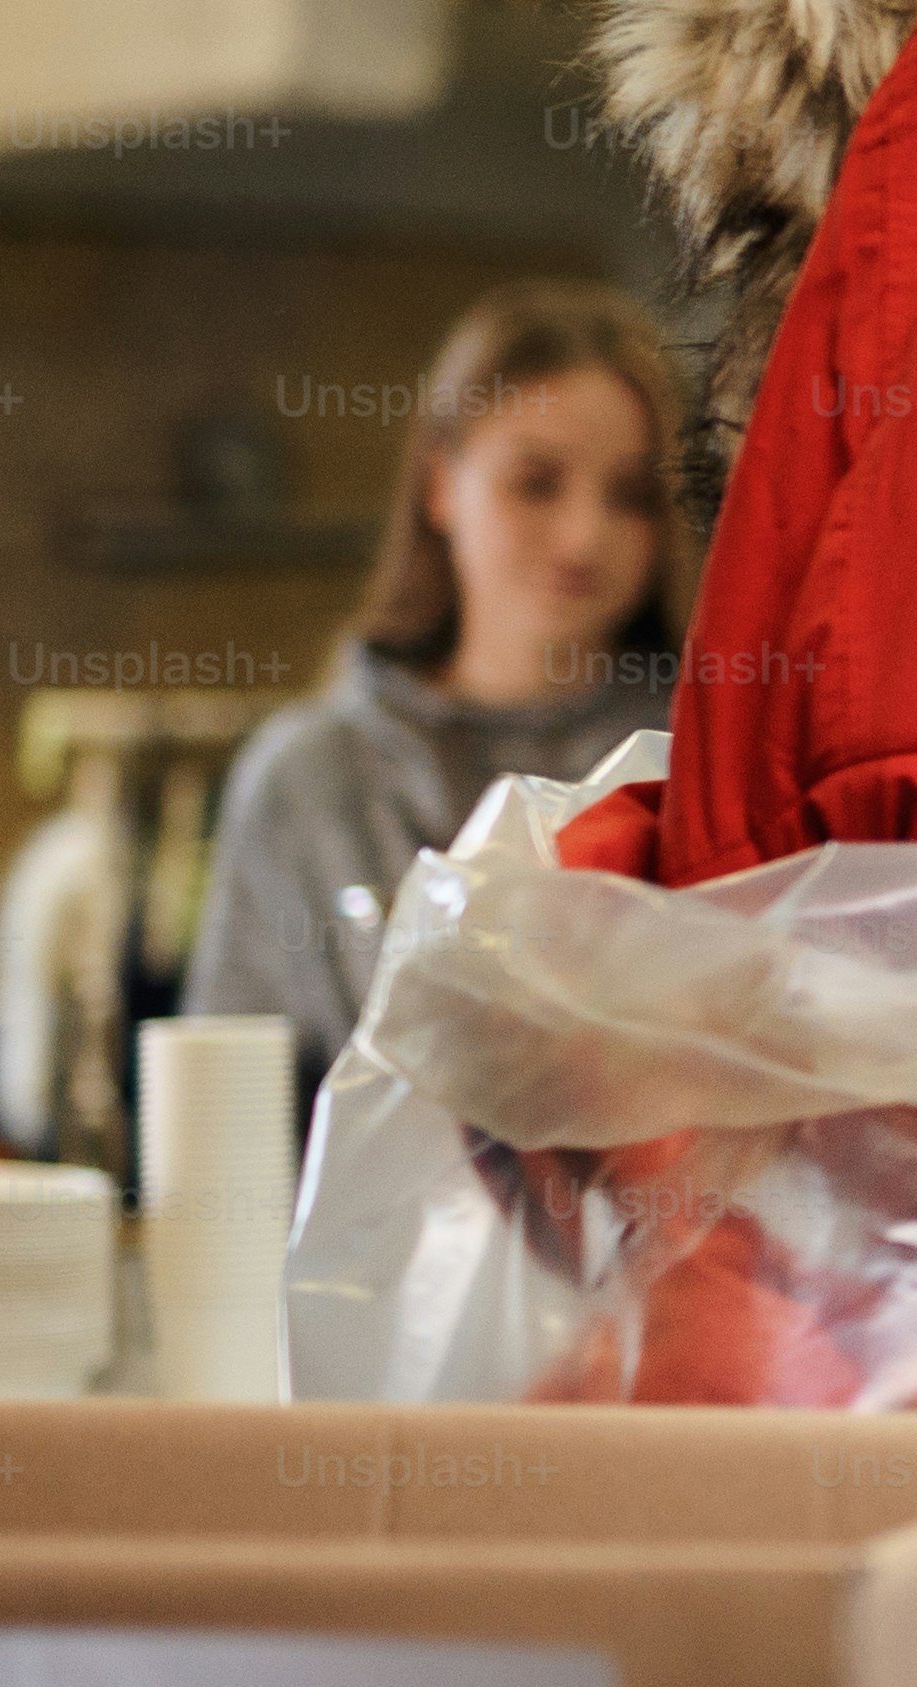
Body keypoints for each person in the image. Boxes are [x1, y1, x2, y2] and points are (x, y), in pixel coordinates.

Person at [186, 281, 688, 1097]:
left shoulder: (698, 764)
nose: (583, 535)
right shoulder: (313, 779)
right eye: (535, 482)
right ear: (440, 486)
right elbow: (222, 1102)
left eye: (630, 496)